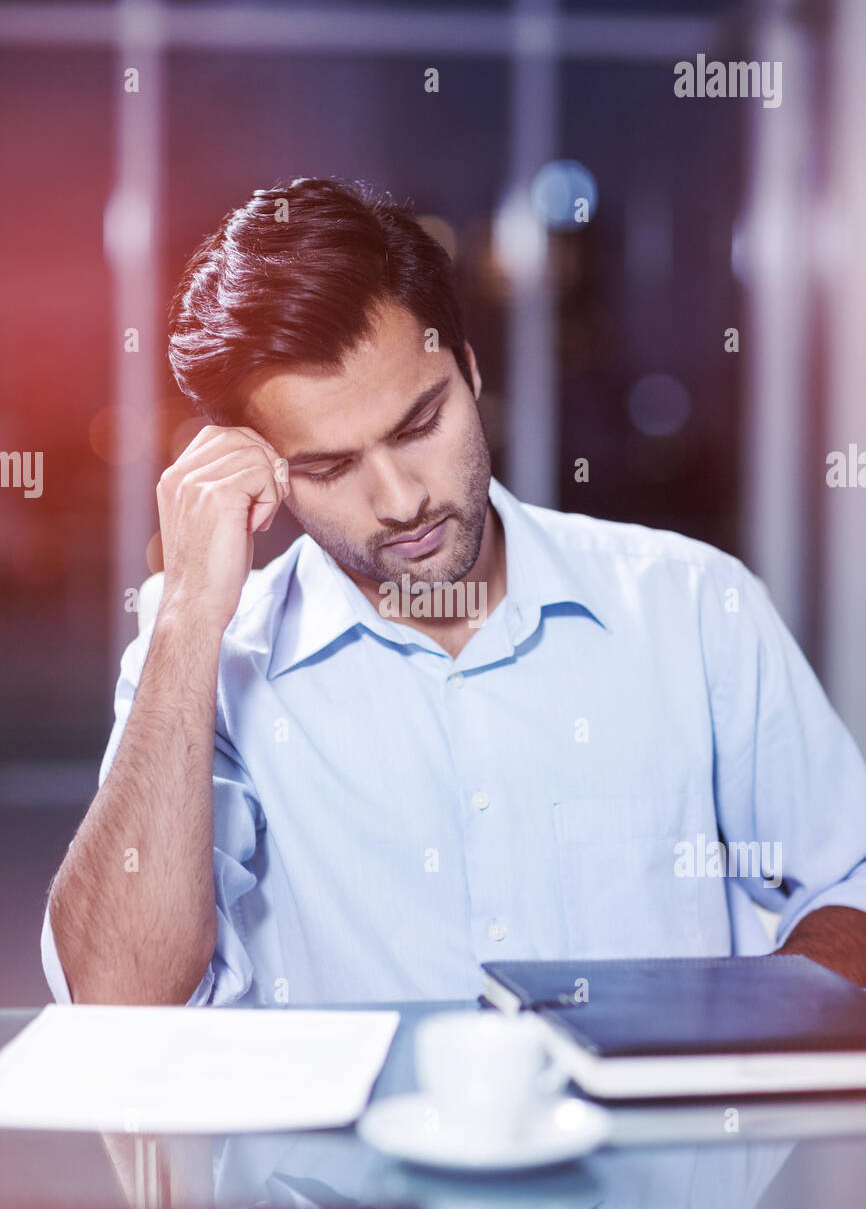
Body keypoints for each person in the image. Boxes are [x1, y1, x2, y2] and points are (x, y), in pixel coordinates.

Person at [41, 177, 866, 1006]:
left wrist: (727, 1063)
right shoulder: (212, 664)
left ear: (469, 372)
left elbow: (850, 882)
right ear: (259, 473)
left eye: (420, 425)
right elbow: (118, 1001)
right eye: (328, 467)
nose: (402, 502)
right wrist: (186, 616)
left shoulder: (691, 606)